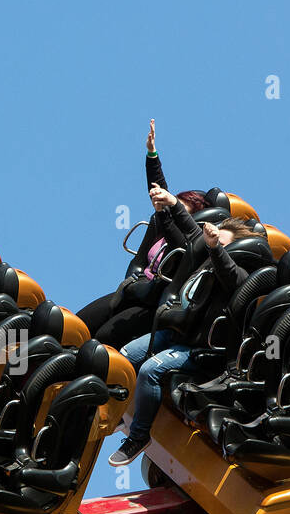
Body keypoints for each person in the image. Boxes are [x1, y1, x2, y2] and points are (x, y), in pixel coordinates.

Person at [108, 212, 257, 466]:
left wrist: (215, 248)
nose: (212, 244)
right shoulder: (203, 261)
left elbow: (230, 273)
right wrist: (171, 202)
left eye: (221, 243)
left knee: (150, 370)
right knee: (124, 355)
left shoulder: (240, 277)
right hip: (177, 331)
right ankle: (117, 411)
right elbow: (188, 229)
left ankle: (139, 436)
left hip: (198, 349)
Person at [77, 119, 210, 347]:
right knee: (80, 323)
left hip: (150, 305)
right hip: (133, 290)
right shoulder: (164, 222)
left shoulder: (190, 245)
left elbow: (177, 237)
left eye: (179, 213)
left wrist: (169, 213)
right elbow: (157, 188)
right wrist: (152, 154)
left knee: (103, 338)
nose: (171, 212)